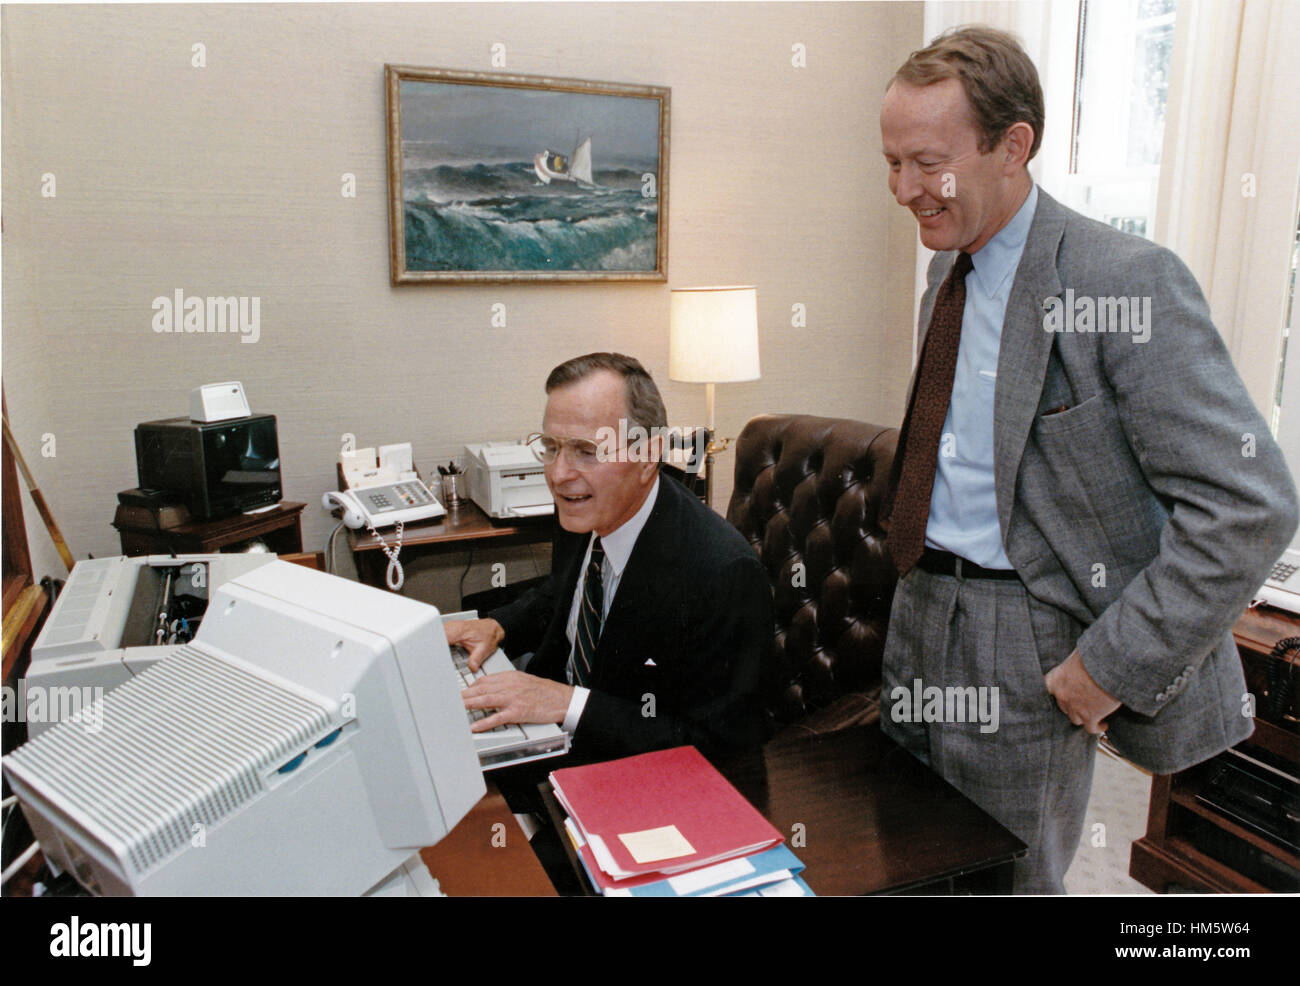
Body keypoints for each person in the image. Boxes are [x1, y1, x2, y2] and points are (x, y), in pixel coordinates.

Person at [877, 26, 1297, 893]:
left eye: (927, 162)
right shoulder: (945, 273)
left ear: (1013, 146)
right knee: (908, 868)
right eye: (892, 163)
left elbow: (1248, 502)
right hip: (919, 612)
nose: (904, 190)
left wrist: (1109, 667)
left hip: (1024, 637)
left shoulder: (1124, 281)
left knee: (1006, 881)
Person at [446, 352, 774, 766]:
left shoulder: (723, 574)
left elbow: (719, 747)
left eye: (586, 450)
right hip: (548, 740)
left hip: (626, 776)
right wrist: (497, 626)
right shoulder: (586, 505)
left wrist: (567, 703)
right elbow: (565, 595)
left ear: (647, 456)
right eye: (550, 447)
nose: (559, 474)